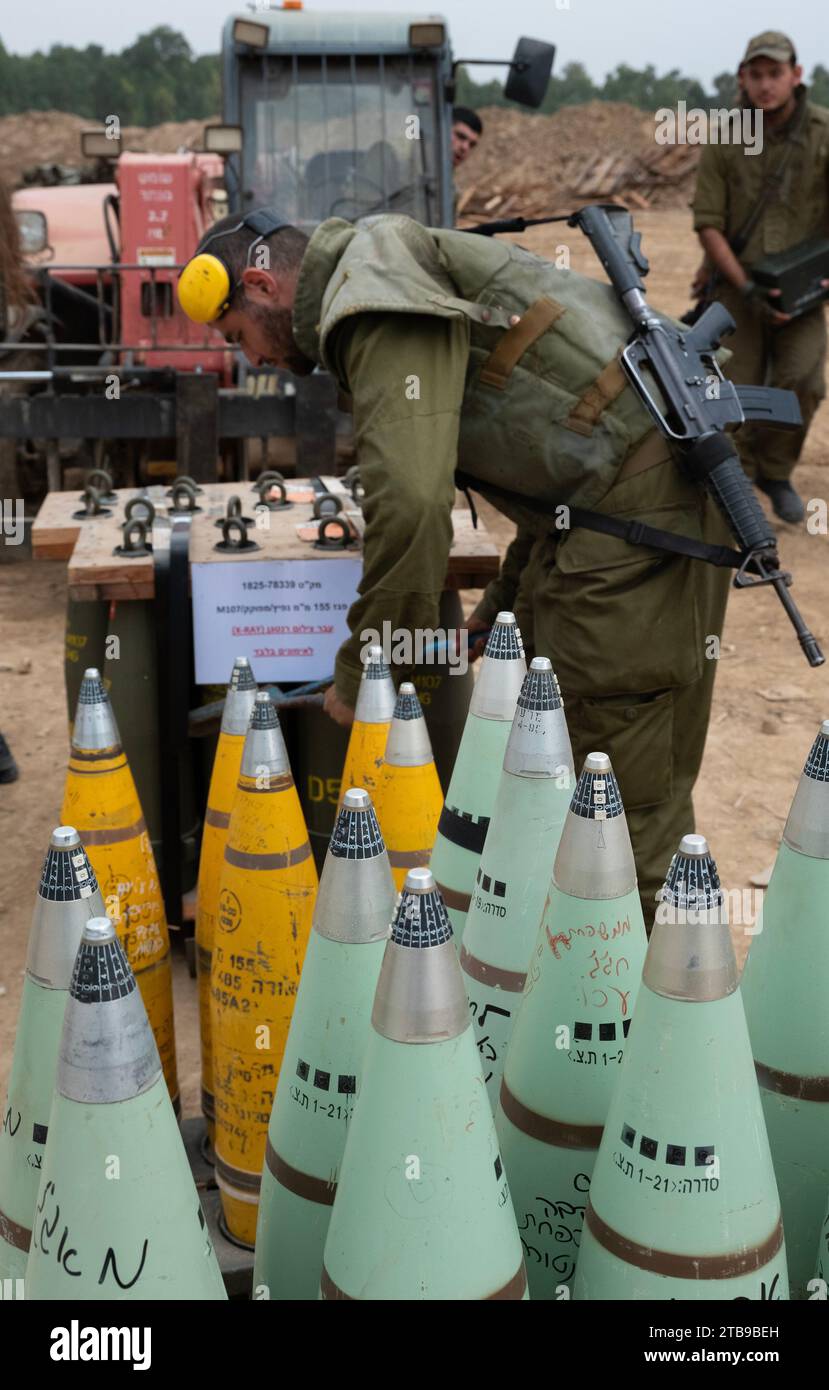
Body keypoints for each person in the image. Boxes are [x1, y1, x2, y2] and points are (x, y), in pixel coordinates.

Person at [178, 210, 736, 925]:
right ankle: (585, 970)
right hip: (614, 508)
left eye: (238, 336)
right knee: (559, 747)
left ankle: (654, 1008)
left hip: (643, 517)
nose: (251, 358)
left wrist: (365, 668)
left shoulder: (370, 296)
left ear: (260, 283)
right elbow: (560, 470)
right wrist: (503, 605)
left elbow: (410, 505)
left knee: (617, 787)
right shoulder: (384, 267)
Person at [691, 31, 829, 524]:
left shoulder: (822, 132)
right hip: (738, 286)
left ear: (796, 75)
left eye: (776, 73)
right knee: (731, 390)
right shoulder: (726, 136)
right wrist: (743, 286)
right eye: (757, 75)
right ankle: (740, 475)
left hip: (806, 292)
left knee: (803, 382)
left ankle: (776, 471)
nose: (766, 84)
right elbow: (708, 221)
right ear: (744, 79)